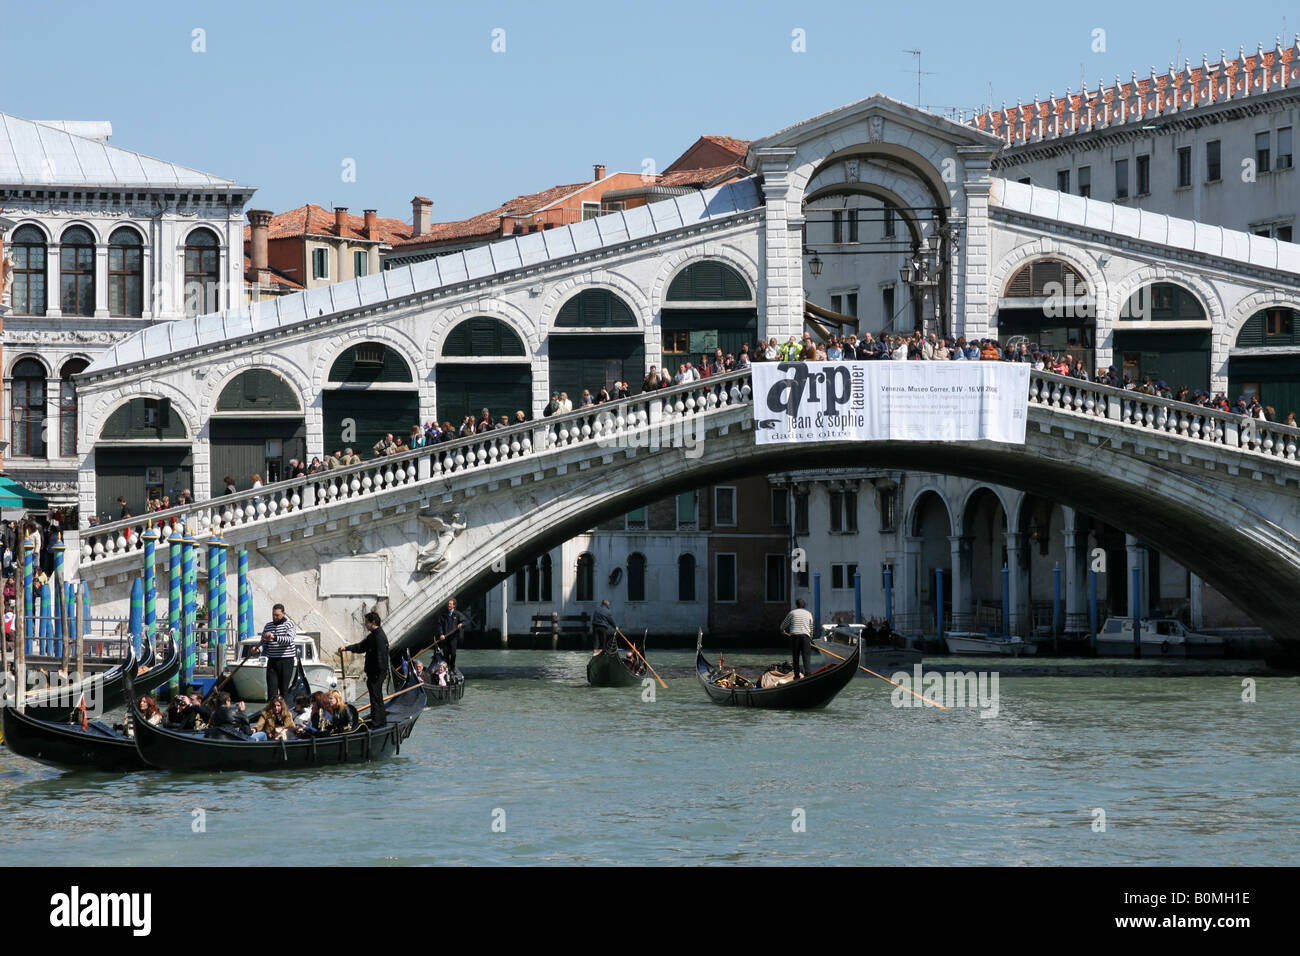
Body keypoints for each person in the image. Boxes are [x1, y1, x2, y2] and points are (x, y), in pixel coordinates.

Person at [344, 610, 391, 727]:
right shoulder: (375, 636)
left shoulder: (378, 637)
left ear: (373, 622)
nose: (365, 624)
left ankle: (377, 722)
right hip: (376, 672)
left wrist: (378, 672)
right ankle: (380, 720)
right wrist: (346, 648)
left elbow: (381, 656)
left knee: (375, 697)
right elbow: (361, 647)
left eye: (366, 622)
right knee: (376, 696)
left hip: (376, 672)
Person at [258, 603, 298, 700]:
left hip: (286, 661)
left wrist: (274, 637)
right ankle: (271, 711)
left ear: (283, 613)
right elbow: (264, 642)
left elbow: (289, 639)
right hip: (272, 660)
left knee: (284, 689)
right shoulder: (268, 626)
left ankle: (284, 711)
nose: (275, 617)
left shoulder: (290, 624)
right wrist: (258, 649)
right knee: (272, 690)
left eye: (277, 615)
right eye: (273, 615)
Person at [780, 597, 815, 680]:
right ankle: (808, 674)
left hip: (795, 637)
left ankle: (796, 676)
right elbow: (811, 628)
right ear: (804, 605)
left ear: (796, 605)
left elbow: (783, 625)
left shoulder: (792, 613)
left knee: (796, 657)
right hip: (806, 637)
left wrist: (782, 630)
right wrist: (810, 638)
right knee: (806, 656)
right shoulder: (809, 614)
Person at [435, 597, 468, 673]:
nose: (448, 605)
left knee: (453, 653)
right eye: (448, 604)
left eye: (450, 604)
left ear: (454, 605)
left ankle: (452, 667)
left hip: (453, 638)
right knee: (446, 654)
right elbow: (439, 625)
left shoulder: (458, 614)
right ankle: (447, 668)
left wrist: (461, 624)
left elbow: (465, 621)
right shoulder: (444, 615)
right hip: (445, 638)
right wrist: (441, 634)